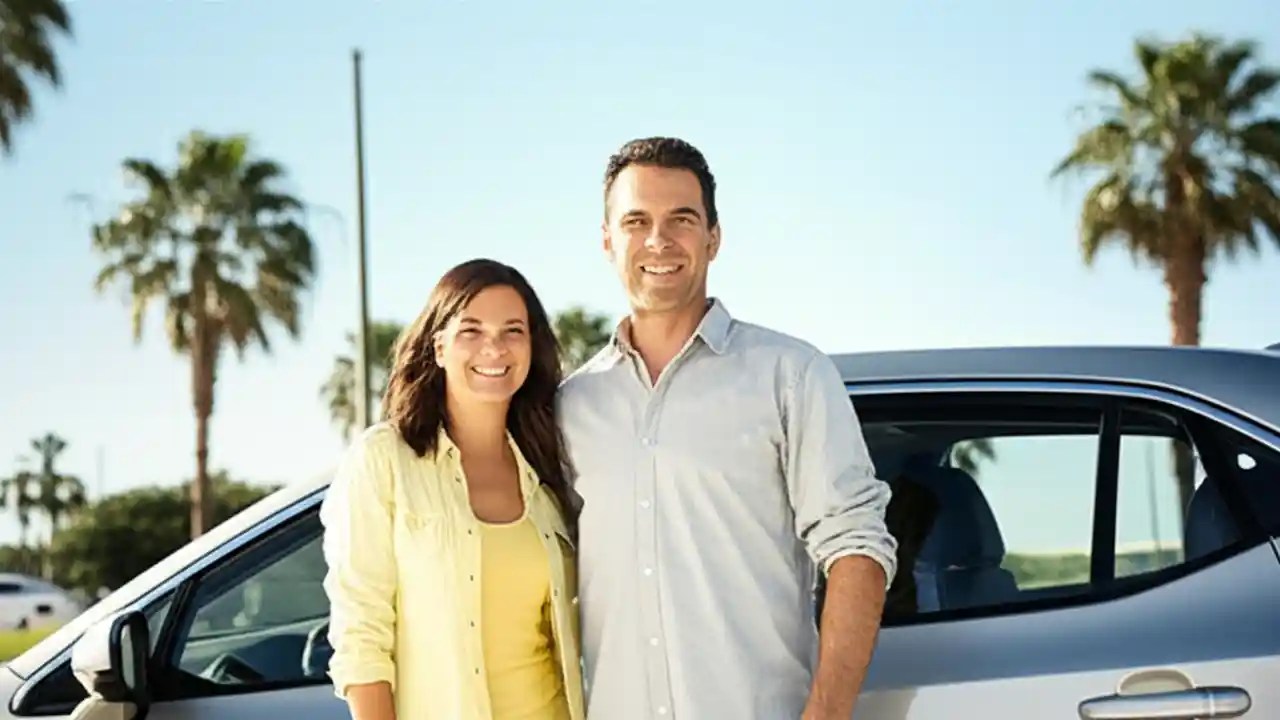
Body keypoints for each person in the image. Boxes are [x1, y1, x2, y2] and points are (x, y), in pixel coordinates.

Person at [557, 137, 899, 720]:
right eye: (636, 221)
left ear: (713, 237)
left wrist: (826, 713)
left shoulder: (790, 375)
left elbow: (856, 547)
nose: (658, 240)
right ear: (607, 240)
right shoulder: (571, 406)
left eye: (681, 219)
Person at [320, 258, 585, 720]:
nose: (494, 348)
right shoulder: (385, 460)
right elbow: (361, 635)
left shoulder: (549, 469)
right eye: (471, 331)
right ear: (439, 347)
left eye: (513, 331)